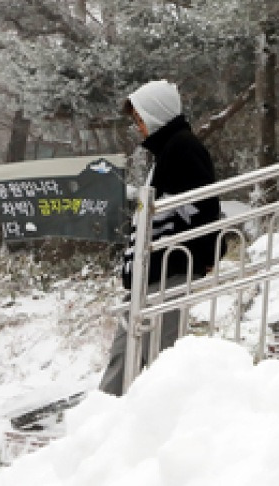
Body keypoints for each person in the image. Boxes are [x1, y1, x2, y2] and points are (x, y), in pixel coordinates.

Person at [99, 79, 224, 396]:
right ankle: (105, 419)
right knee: (128, 351)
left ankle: (152, 420)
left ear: (156, 114)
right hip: (154, 270)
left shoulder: (182, 147)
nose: (138, 127)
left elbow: (204, 206)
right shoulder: (170, 150)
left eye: (140, 118)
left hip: (168, 268)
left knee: (157, 355)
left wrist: (204, 255)